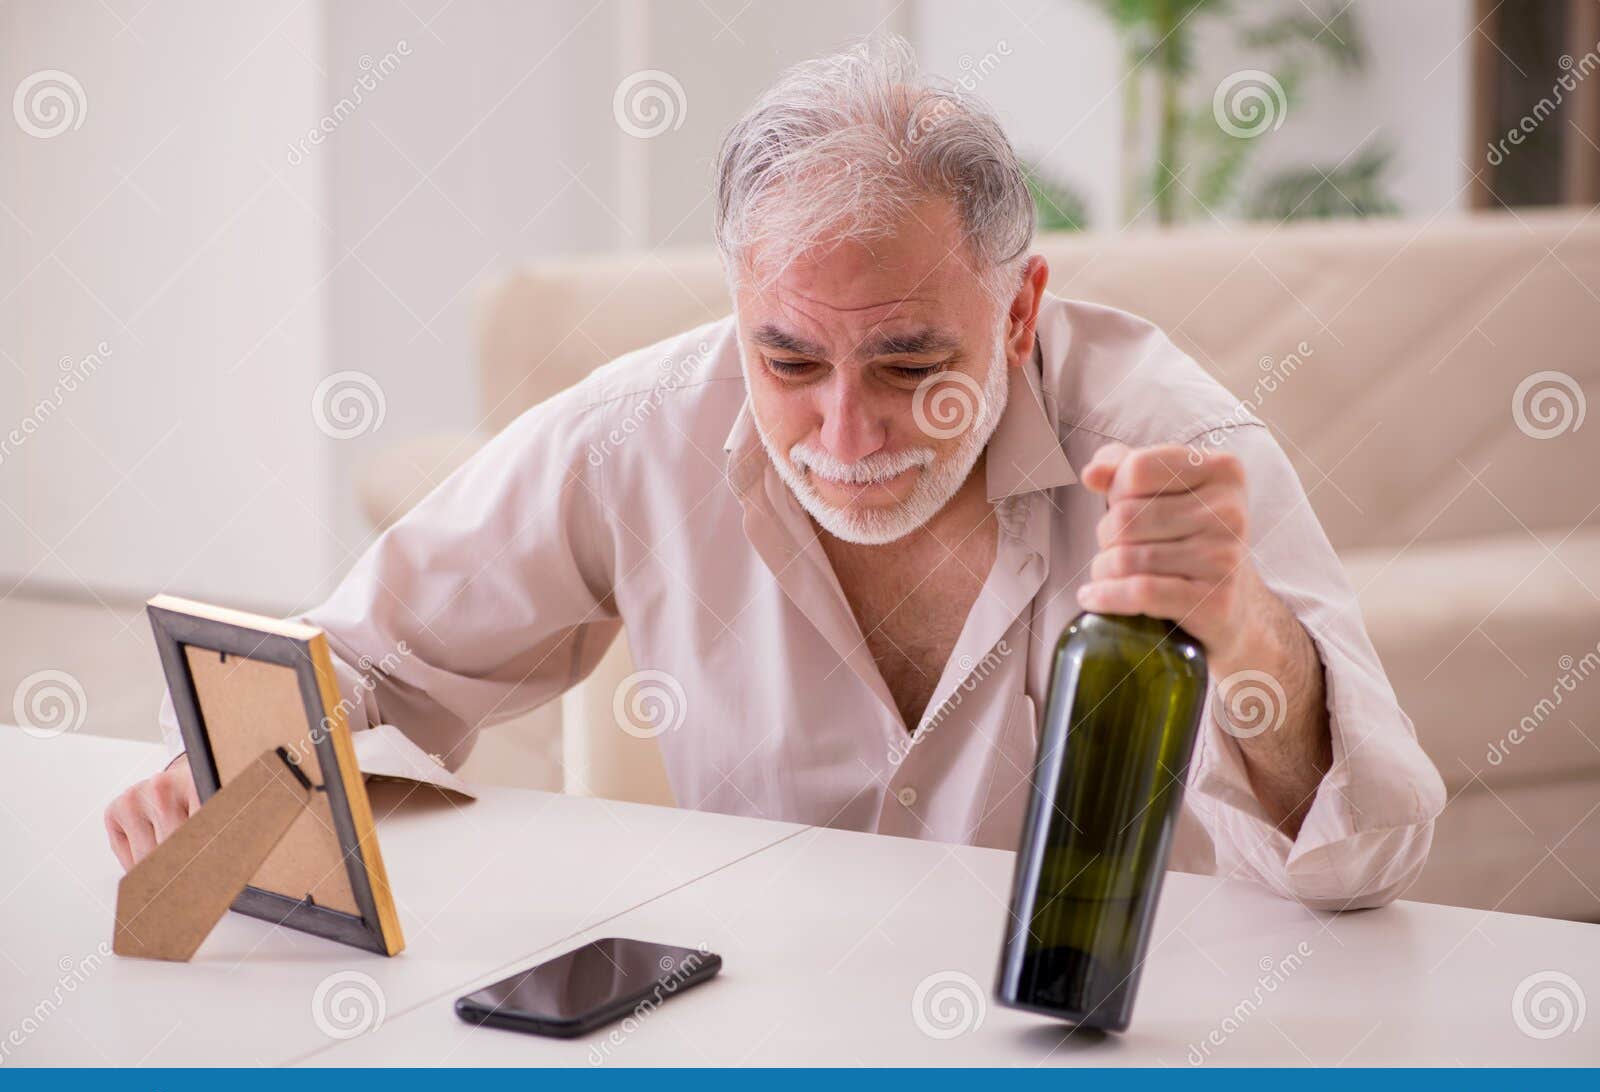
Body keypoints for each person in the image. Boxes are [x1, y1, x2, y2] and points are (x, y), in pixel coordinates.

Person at [106, 36, 1444, 909]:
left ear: (1022, 311)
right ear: (738, 305)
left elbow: (1372, 850)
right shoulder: (640, 428)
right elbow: (368, 663)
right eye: (791, 361)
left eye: (915, 363)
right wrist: (224, 769)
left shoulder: (1174, 453)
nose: (846, 438)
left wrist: (1252, 630)